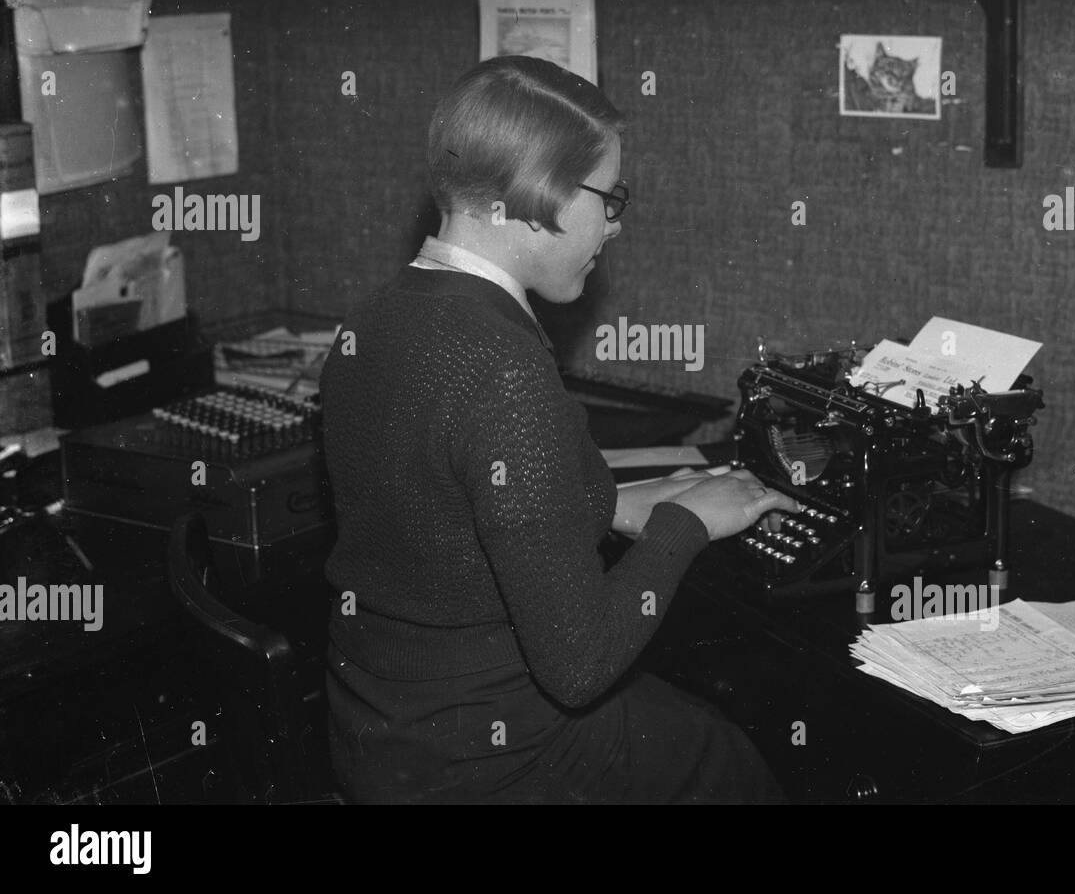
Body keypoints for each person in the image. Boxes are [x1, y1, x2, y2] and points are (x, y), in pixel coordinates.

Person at [320, 55, 797, 804]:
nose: (615, 224)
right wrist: (683, 522)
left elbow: (448, 503)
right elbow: (580, 666)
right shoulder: (503, 364)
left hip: (380, 733)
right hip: (494, 765)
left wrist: (612, 502)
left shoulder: (373, 319)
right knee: (726, 755)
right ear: (542, 189)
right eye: (611, 199)